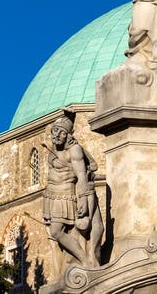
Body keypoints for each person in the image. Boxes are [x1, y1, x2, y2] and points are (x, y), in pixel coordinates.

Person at [42, 115, 103, 275]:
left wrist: (82, 198)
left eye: (61, 133)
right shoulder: (54, 149)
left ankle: (85, 260)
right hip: (52, 195)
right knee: (55, 234)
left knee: (57, 231)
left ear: (68, 135)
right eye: (54, 131)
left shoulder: (74, 150)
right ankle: (82, 261)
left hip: (66, 196)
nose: (57, 135)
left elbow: (81, 175)